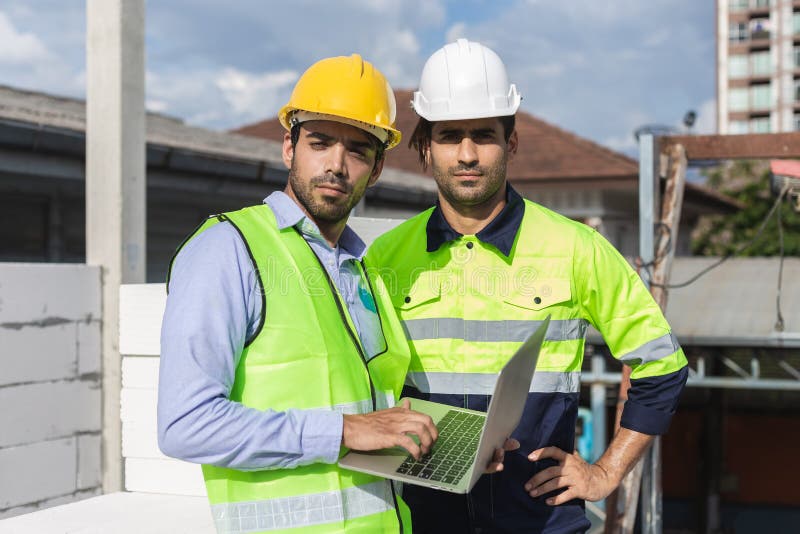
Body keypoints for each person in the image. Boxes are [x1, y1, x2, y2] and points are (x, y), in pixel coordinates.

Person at [366, 39, 689, 534]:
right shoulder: (385, 259)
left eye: (484, 135)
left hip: (542, 521)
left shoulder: (576, 248)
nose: (468, 154)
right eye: (451, 136)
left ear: (511, 143)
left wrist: (606, 472)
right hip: (421, 518)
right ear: (425, 150)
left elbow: (662, 365)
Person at [157, 54, 441, 534]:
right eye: (320, 142)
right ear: (289, 146)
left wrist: (446, 441)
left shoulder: (361, 270)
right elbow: (185, 425)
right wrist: (345, 432)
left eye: (357, 150)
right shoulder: (228, 249)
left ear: (376, 170)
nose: (336, 165)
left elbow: (375, 411)